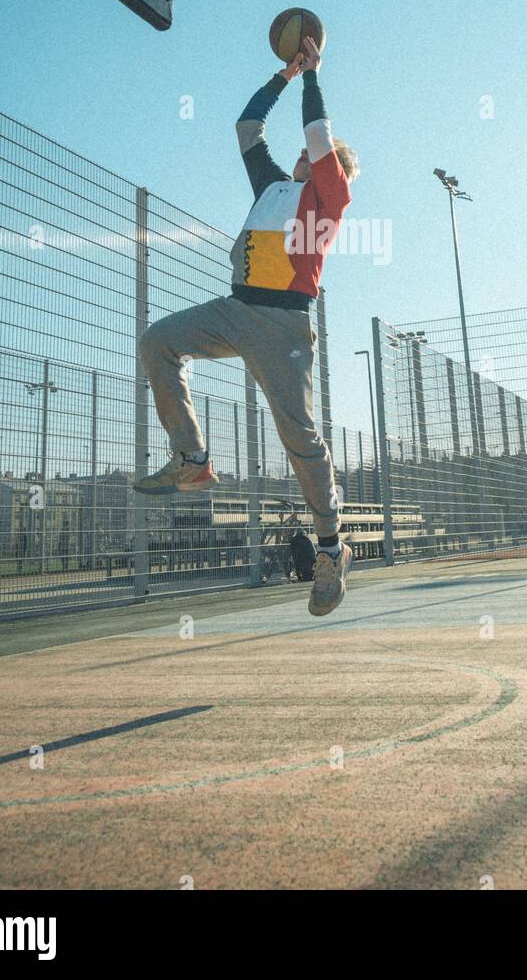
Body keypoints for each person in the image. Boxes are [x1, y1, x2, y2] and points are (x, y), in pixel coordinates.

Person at [135, 37, 358, 617]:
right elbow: (247, 127)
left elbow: (315, 135)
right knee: (157, 340)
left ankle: (332, 547)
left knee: (299, 438)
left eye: (324, 151)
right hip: (235, 309)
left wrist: (312, 77)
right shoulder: (274, 186)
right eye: (314, 152)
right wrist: (283, 76)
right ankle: (192, 458)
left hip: (283, 326)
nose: (312, 153)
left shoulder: (331, 197)